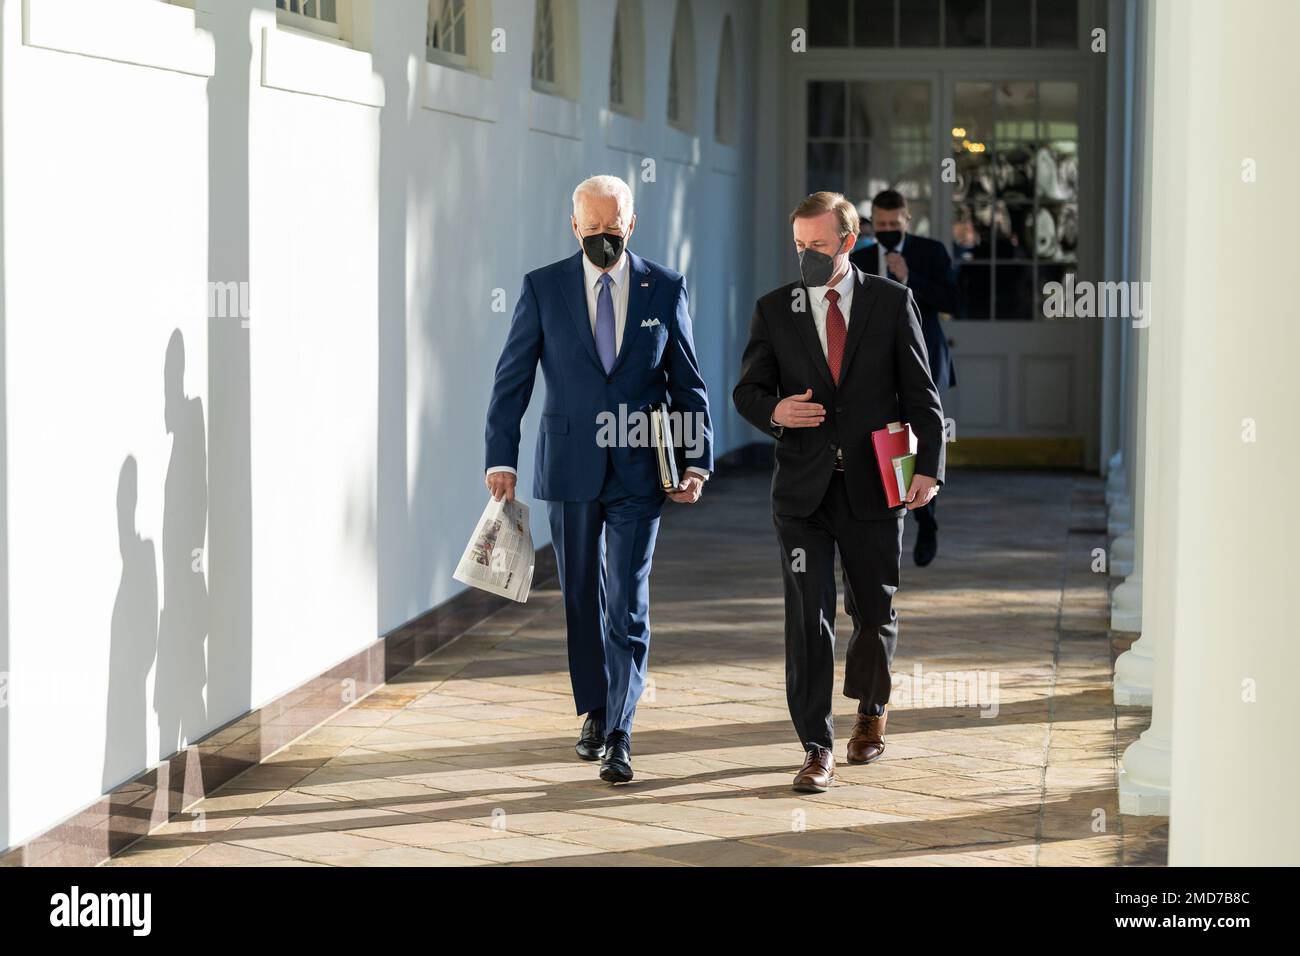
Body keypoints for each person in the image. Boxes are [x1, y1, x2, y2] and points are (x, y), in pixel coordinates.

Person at [484, 175, 713, 784]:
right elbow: (513, 380)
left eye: (612, 232)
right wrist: (500, 456)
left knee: (627, 601)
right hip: (569, 465)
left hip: (640, 468)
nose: (602, 243)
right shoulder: (543, 287)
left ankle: (620, 730)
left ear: (630, 226)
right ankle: (592, 705)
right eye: (591, 233)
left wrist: (696, 458)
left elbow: (687, 379)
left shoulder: (664, 287)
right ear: (574, 226)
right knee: (582, 595)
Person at [733, 191, 945, 793]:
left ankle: (870, 710)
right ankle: (815, 745)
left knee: (873, 612)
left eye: (818, 246)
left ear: (849, 243)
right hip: (802, 494)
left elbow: (921, 396)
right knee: (808, 619)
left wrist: (928, 468)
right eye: (798, 246)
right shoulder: (774, 309)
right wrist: (776, 411)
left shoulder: (892, 302)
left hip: (876, 485)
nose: (806, 256)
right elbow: (747, 391)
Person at [851, 189, 957, 567]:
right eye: (880, 225)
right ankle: (890, 518)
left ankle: (926, 519)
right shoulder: (859, 258)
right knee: (889, 443)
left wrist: (908, 277)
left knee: (923, 440)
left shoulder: (931, 252)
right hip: (874, 367)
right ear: (872, 223)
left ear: (906, 221)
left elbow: (952, 300)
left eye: (894, 225)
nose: (887, 231)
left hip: (925, 361)